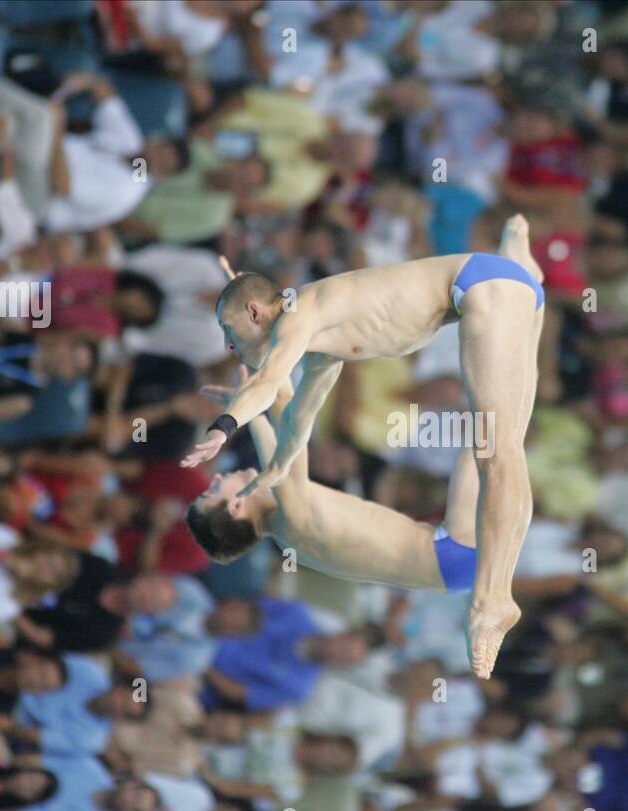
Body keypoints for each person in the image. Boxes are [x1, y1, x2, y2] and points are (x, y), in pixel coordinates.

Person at [181, 215, 545, 679]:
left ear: (255, 314)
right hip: (457, 547)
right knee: (498, 442)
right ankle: (493, 598)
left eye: (230, 335)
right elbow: (281, 403)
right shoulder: (291, 517)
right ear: (236, 508)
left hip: (482, 288)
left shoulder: (303, 321)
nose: (214, 477)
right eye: (211, 490)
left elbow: (286, 415)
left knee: (497, 438)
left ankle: (522, 269)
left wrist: (241, 399)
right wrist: (226, 423)